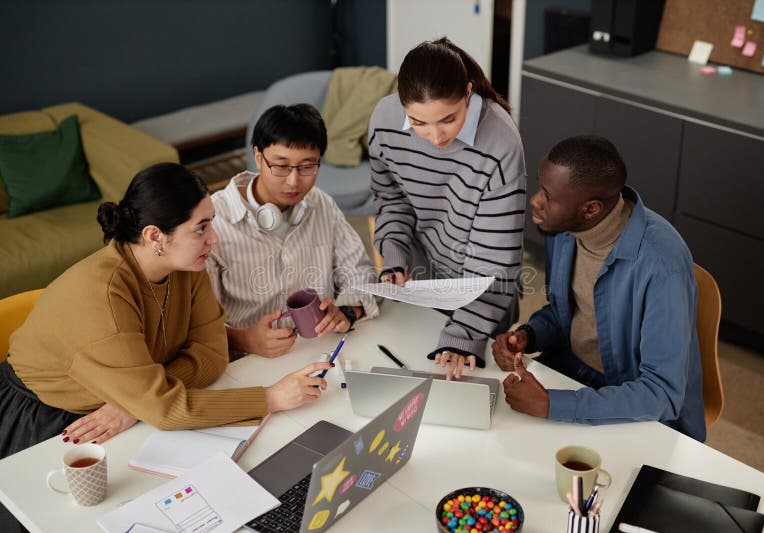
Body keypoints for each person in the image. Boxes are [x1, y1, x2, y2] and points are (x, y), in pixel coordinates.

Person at [0, 162, 334, 460]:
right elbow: (166, 409)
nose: (214, 238)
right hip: (49, 417)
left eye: (212, 223)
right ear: (154, 237)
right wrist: (271, 398)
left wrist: (135, 402)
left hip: (124, 403)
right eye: (201, 228)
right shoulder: (102, 298)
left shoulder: (187, 266)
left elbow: (213, 353)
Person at [492, 135, 705, 441]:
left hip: (633, 403)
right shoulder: (565, 230)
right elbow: (566, 310)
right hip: (570, 369)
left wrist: (555, 405)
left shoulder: (662, 265)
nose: (535, 200)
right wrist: (529, 335)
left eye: (548, 197)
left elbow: (662, 393)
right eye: (540, 187)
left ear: (590, 209)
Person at [369, 37, 526, 379]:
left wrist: (463, 334)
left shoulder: (500, 142)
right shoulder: (384, 121)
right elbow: (392, 198)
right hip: (423, 282)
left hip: (485, 293)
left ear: (468, 92)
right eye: (419, 122)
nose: (436, 136)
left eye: (448, 119)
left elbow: (495, 257)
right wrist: (395, 254)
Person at [206, 104, 379, 358]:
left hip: (322, 351)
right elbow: (195, 326)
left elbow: (360, 272)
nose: (294, 181)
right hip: (249, 362)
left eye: (307, 166)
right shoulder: (214, 221)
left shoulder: (320, 203)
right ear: (258, 157)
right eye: (281, 166)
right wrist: (243, 340)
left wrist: (348, 310)